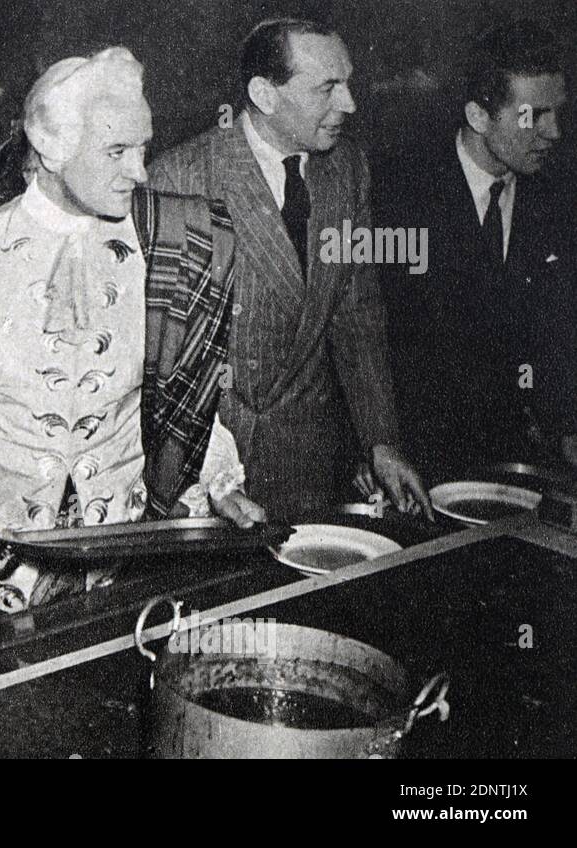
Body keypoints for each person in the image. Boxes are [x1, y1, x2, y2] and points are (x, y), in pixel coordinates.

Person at [0, 48, 266, 611]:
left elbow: (184, 394)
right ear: (49, 146)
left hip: (130, 561)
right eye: (116, 151)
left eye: (143, 148)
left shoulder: (170, 245)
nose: (140, 172)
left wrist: (221, 482)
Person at [149, 18, 432, 518]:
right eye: (328, 88)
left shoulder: (347, 169)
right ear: (264, 93)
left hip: (308, 463)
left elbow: (357, 314)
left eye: (347, 83)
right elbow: (157, 355)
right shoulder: (180, 176)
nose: (349, 104)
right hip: (206, 473)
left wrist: (381, 439)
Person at [376, 20, 577, 479]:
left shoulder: (557, 195)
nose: (555, 133)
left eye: (558, 113)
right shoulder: (397, 193)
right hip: (416, 466)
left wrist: (566, 427)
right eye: (534, 116)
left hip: (517, 464)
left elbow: (558, 331)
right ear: (478, 116)